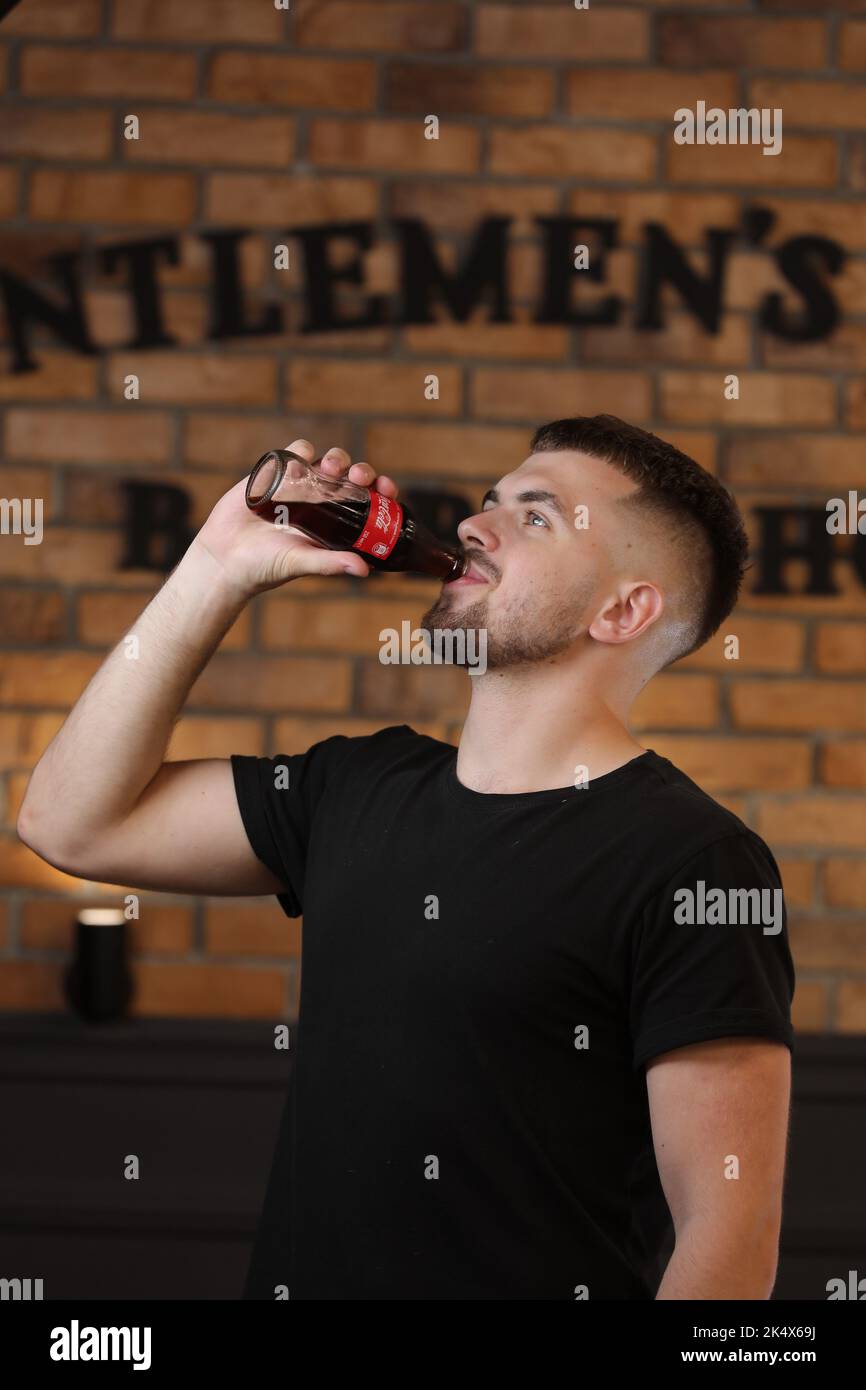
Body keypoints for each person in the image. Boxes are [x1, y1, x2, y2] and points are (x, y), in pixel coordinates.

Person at [18, 415, 794, 1301]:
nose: (472, 525)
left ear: (623, 611)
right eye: (490, 501)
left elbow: (730, 1239)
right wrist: (217, 564)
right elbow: (70, 824)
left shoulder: (696, 863)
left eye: (535, 517)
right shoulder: (353, 787)